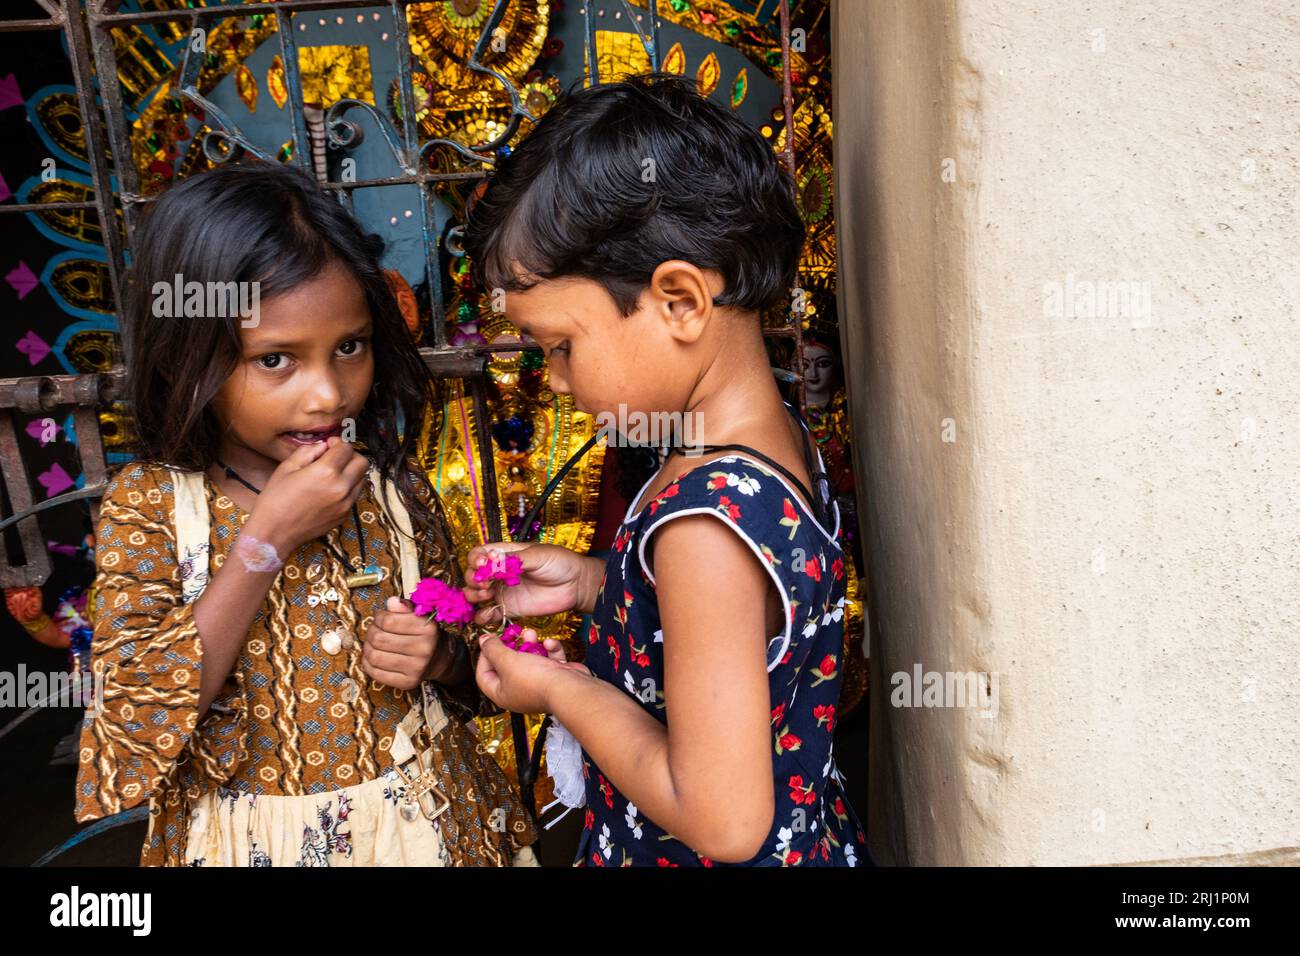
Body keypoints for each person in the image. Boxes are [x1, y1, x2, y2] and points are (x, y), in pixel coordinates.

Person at [75, 163, 537, 867]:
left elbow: (477, 676)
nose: (328, 395)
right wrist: (266, 540)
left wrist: (442, 658)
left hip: (431, 833)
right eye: (276, 360)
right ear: (190, 357)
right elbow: (132, 725)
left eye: (349, 347)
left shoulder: (395, 490)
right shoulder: (151, 507)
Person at [461, 73, 869, 866]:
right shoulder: (765, 439)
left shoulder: (701, 524)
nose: (553, 379)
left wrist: (559, 691)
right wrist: (594, 583)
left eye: (562, 346)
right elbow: (749, 625)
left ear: (680, 301)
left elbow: (722, 821)